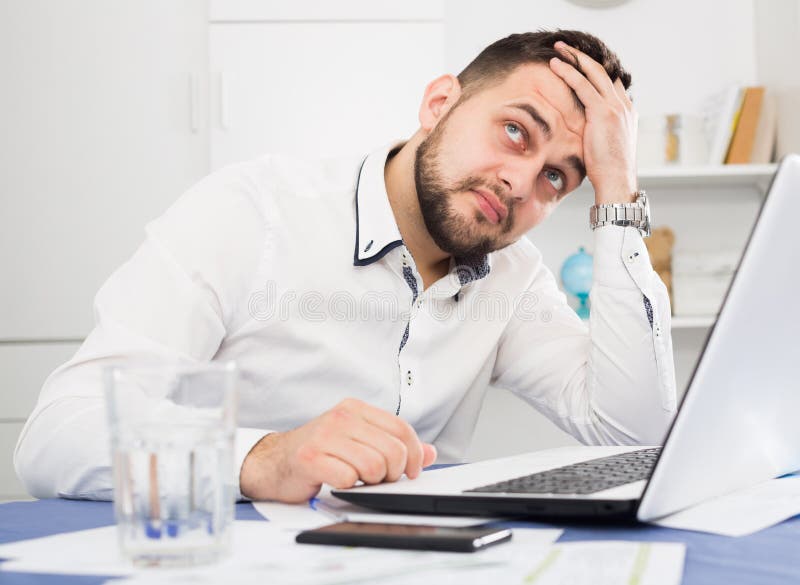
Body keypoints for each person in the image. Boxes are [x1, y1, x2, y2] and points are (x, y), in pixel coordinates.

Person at [15, 30, 676, 503]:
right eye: (515, 131)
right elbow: (56, 435)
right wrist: (261, 458)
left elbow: (634, 433)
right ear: (439, 104)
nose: (520, 182)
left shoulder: (515, 277)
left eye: (558, 177)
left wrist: (618, 190)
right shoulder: (251, 213)